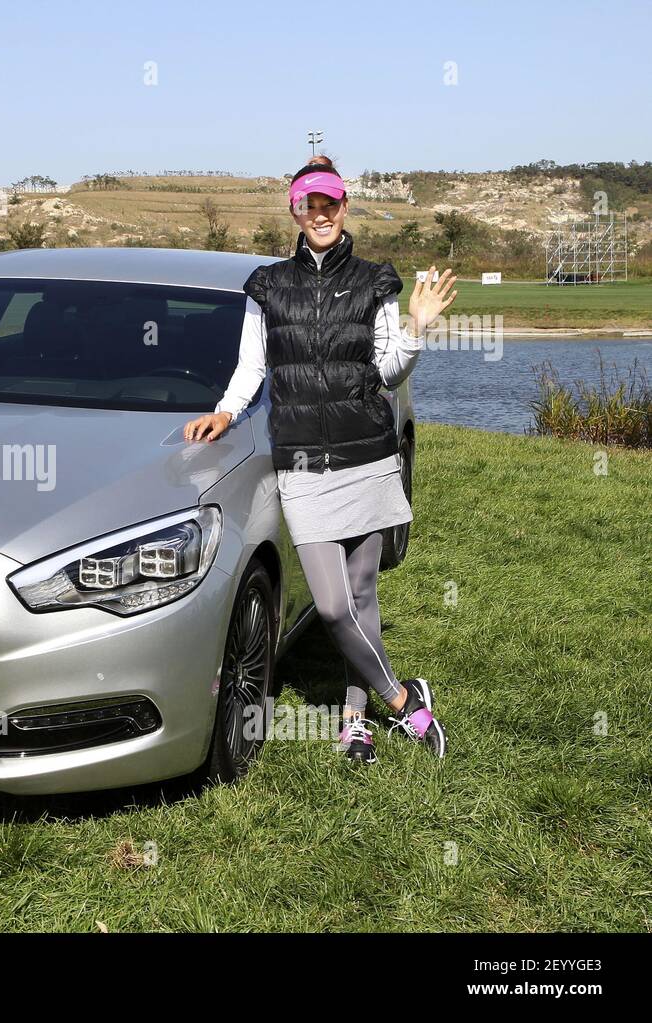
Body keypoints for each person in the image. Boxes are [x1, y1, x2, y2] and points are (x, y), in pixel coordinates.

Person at [184, 158, 458, 763]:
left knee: (361, 596)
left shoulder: (374, 281)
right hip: (303, 462)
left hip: (367, 455)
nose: (322, 212)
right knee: (331, 605)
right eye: (310, 203)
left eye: (331, 201)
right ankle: (405, 699)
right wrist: (227, 413)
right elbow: (252, 367)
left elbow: (387, 371)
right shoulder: (269, 285)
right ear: (295, 211)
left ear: (344, 206)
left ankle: (355, 719)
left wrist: (415, 327)